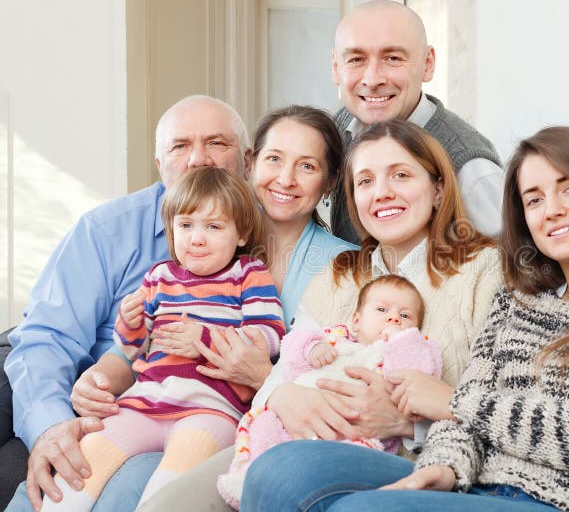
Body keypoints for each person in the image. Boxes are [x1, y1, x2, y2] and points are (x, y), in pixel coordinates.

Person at [240, 126, 569, 512]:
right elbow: (467, 424)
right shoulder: (522, 302)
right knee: (280, 470)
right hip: (484, 490)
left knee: (364, 509)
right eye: (534, 199)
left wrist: (454, 401)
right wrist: (444, 466)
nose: (552, 209)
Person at [140, 119, 501, 512]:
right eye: (365, 181)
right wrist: (283, 394)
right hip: (290, 433)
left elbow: (503, 405)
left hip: (404, 458)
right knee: (169, 505)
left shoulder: (484, 271)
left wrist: (409, 425)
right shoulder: (340, 273)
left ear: (437, 189)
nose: (381, 193)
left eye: (400, 175)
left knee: (285, 476)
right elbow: (290, 357)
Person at [2, 95, 253, 511]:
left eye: (217, 143)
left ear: (246, 160)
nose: (198, 159)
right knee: (54, 485)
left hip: (198, 417)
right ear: (160, 164)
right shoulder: (106, 231)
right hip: (109, 412)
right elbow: (45, 338)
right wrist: (53, 425)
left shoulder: (261, 239)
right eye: (179, 146)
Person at [42, 166, 285, 511]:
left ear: (241, 233)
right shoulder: (159, 276)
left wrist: (204, 338)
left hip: (210, 409)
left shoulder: (248, 274)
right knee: (79, 474)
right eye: (185, 225)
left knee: (167, 495)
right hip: (145, 402)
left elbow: (269, 336)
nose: (196, 238)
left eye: (213, 227)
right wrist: (131, 323)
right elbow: (132, 347)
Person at [217, 274, 441, 509]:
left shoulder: (392, 358)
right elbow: (292, 349)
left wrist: (402, 341)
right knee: (264, 427)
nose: (393, 318)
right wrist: (312, 349)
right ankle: (246, 477)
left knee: (346, 455)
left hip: (351, 435)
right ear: (356, 320)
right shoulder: (333, 340)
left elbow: (420, 375)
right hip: (292, 418)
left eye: (404, 316)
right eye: (382, 310)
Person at [329, 0, 504, 242]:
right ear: (336, 68)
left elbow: (514, 269)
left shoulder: (471, 171)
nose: (372, 79)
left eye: (392, 58)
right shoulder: (337, 128)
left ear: (428, 64)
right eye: (356, 60)